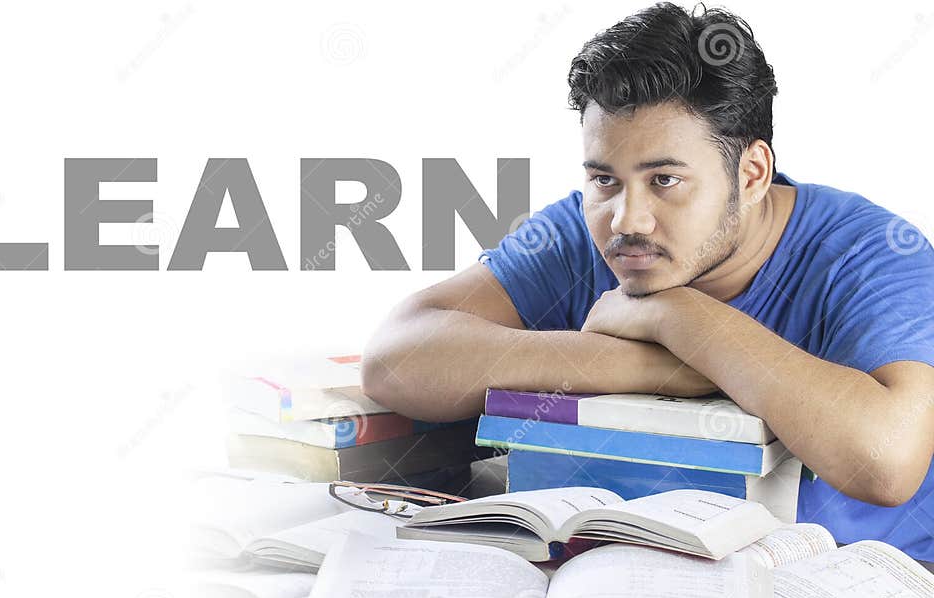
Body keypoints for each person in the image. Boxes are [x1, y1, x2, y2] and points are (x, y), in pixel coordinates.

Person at [361, 2, 934, 564]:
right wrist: (656, 367)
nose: (628, 220)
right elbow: (395, 360)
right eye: (605, 179)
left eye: (665, 179)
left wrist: (676, 317)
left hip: (843, 585)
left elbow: (887, 463)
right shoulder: (582, 231)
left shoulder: (870, 252)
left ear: (752, 173)